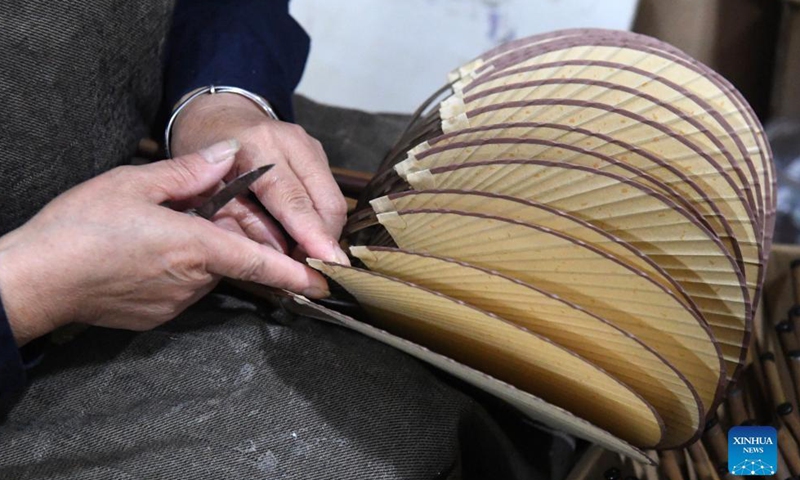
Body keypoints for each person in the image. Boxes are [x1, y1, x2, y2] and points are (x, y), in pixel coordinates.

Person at [0, 1, 501, 478]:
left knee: (479, 183)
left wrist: (220, 104)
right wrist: (31, 289)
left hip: (170, 126)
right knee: (355, 446)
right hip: (22, 340)